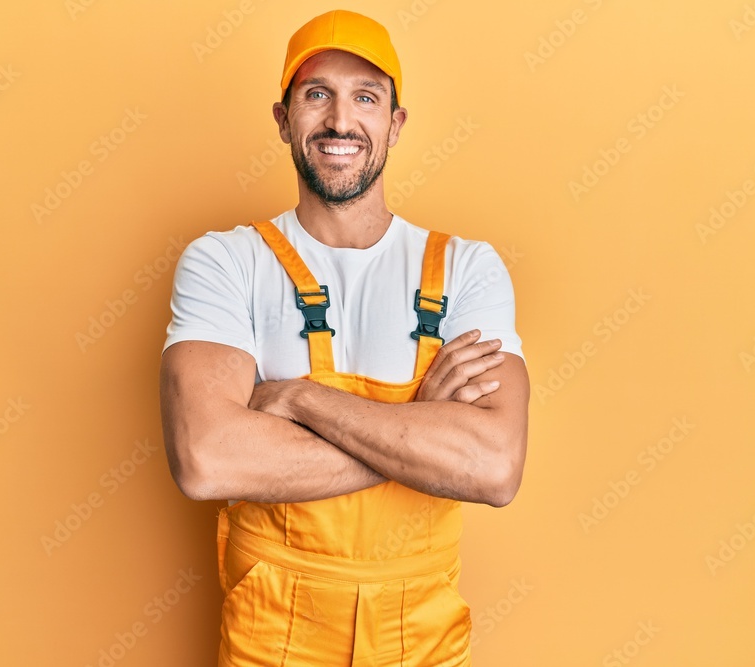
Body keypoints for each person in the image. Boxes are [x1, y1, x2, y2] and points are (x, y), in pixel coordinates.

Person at [159, 9, 529, 666]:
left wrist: (299, 399)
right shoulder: (227, 262)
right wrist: (421, 432)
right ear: (284, 119)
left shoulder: (468, 268)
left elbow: (494, 467)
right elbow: (207, 458)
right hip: (270, 636)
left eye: (365, 97)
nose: (340, 120)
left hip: (421, 637)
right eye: (316, 94)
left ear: (395, 122)